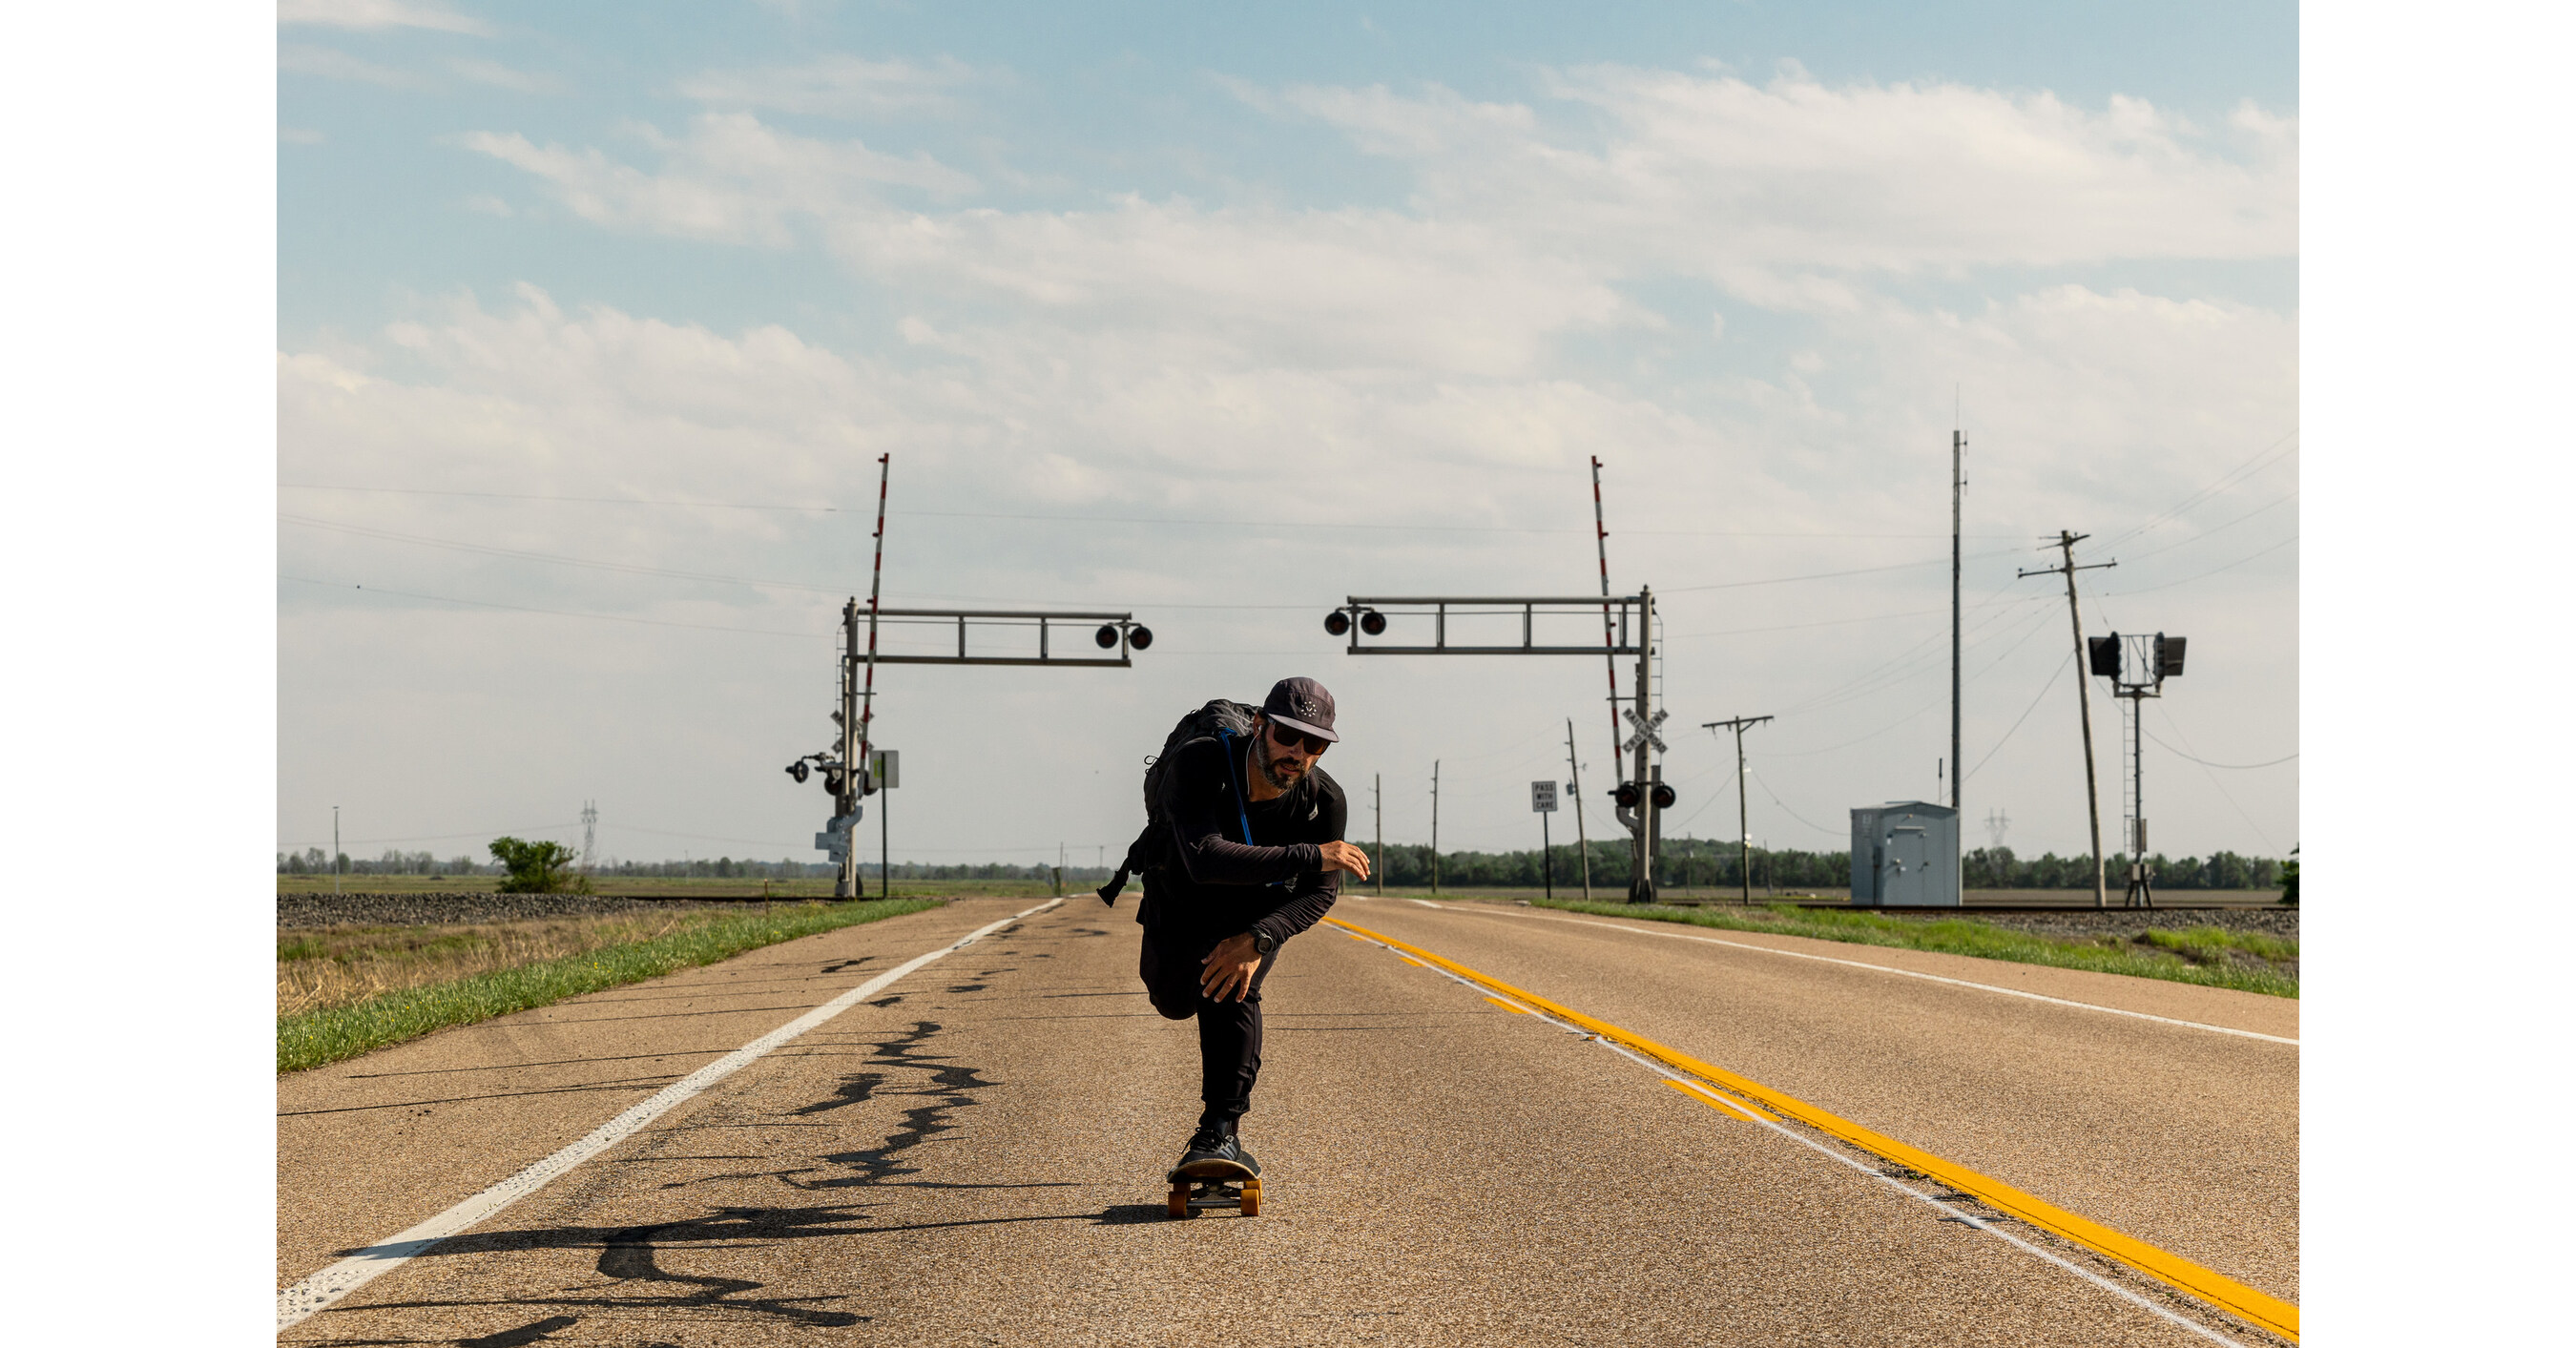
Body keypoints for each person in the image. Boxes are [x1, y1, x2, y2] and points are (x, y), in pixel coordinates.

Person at [1138, 676, 1371, 1177]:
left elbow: (1319, 892)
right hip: (1180, 895)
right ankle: (1217, 1130)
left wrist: (1259, 938)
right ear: (1261, 727)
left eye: (1314, 744)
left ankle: (1218, 1133)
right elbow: (1203, 857)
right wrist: (1312, 854)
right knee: (1174, 1000)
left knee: (1230, 986)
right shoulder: (1201, 764)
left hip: (1252, 912)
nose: (1298, 752)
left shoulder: (1322, 802)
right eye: (1288, 735)